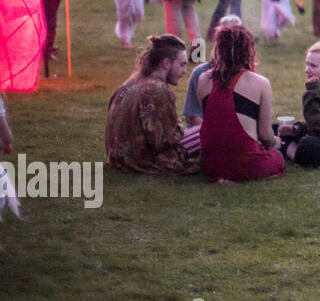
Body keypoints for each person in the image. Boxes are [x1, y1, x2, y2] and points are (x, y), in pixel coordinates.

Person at [195, 24, 283, 183]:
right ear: (249, 50)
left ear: (218, 49)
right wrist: (276, 142)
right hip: (247, 163)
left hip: (211, 164)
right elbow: (265, 135)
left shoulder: (203, 79)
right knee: (278, 157)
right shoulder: (261, 83)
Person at [105, 34, 200, 175]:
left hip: (119, 159)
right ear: (166, 63)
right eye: (182, 64)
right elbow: (165, 141)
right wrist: (179, 127)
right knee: (205, 132)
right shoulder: (157, 89)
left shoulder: (131, 82)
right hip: (143, 162)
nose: (184, 71)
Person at [181, 14, 243, 157]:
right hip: (203, 132)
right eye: (225, 37)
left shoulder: (245, 74)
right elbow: (193, 116)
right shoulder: (201, 73)